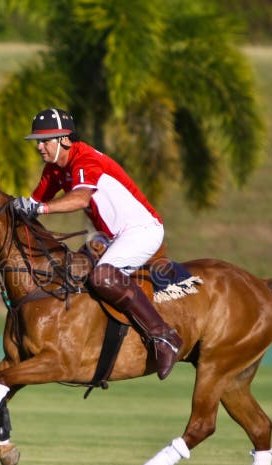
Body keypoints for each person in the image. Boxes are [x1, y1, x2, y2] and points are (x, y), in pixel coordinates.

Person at [12, 108, 183, 380]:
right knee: (71, 269)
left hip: (141, 230)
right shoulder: (55, 168)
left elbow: (80, 199)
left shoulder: (86, 160)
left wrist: (42, 210)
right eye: (38, 141)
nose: (39, 147)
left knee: (103, 276)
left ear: (65, 139)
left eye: (45, 141)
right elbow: (32, 203)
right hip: (111, 235)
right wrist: (8, 206)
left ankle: (164, 336)